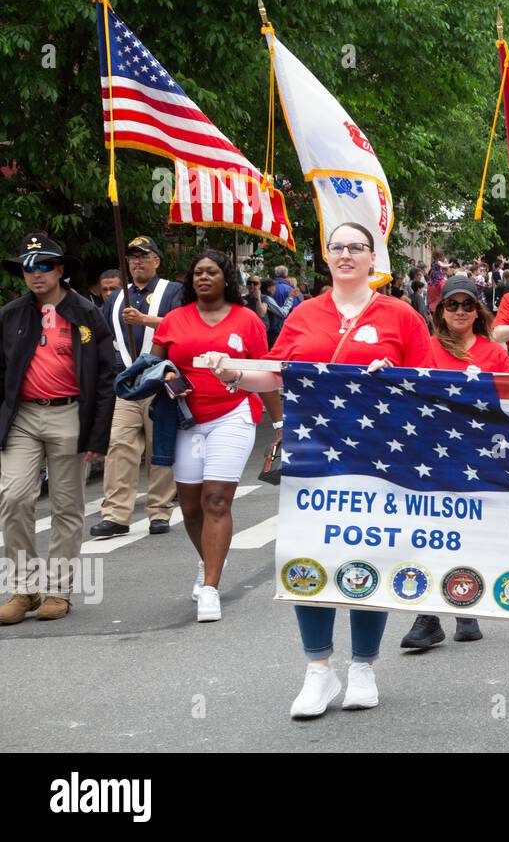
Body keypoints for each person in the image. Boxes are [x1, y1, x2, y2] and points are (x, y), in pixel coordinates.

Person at [209, 222, 434, 718]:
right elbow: (275, 370)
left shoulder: (401, 316)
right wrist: (230, 369)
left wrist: (393, 380)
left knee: (367, 556)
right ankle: (318, 669)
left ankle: (363, 668)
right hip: (313, 455)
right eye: (338, 248)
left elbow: (431, 383)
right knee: (310, 553)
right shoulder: (304, 314)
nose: (347, 255)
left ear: (374, 260)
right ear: (327, 257)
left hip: (379, 457)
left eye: (357, 247)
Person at [151, 251, 280, 622]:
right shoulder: (174, 320)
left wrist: (280, 424)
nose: (203, 277)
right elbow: (156, 365)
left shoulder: (248, 320)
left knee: (217, 501)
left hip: (232, 415)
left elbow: (267, 373)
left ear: (226, 278)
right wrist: (165, 378)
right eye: (197, 272)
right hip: (186, 420)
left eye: (211, 272)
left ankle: (210, 587)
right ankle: (206, 560)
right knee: (190, 508)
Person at [0, 234, 115, 624]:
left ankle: (58, 591)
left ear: (61, 270)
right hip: (23, 417)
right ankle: (24, 589)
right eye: (28, 267)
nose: (35, 273)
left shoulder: (86, 312)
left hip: (70, 413)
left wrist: (98, 436)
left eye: (44, 265)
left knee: (68, 506)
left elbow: (105, 375)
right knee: (13, 498)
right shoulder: (11, 314)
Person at [399, 275, 509, 650]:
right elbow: (407, 390)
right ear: (440, 311)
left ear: (478, 310)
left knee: (465, 531)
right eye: (452, 305)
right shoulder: (426, 347)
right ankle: (427, 616)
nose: (460, 311)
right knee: (430, 531)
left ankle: (464, 602)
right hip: (430, 453)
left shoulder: (493, 351)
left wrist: (486, 389)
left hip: (476, 455)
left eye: (467, 305)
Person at [94, 235, 184, 537]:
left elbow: (184, 325)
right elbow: (105, 336)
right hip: (128, 385)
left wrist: (146, 320)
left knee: (160, 446)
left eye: (143, 257)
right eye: (132, 257)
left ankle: (159, 511)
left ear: (156, 260)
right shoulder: (118, 297)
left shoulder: (172, 291)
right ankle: (116, 514)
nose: (137, 262)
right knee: (120, 445)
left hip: (159, 380)